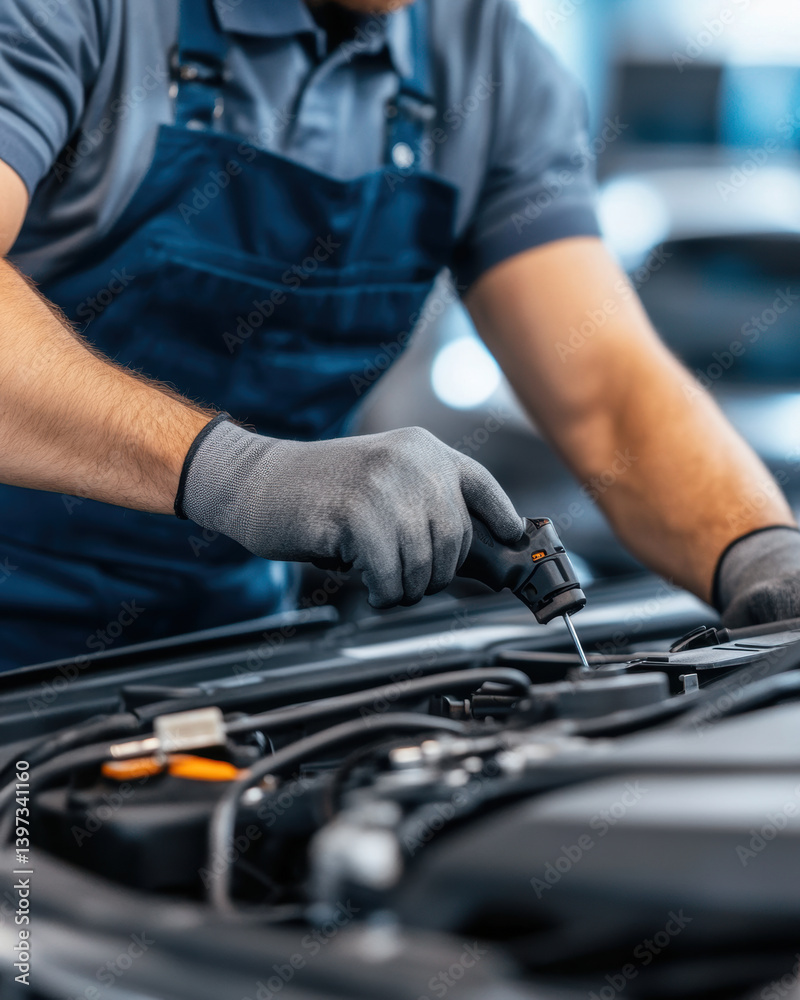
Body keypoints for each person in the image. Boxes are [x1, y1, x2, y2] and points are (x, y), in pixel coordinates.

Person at [0, 0, 796, 670]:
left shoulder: (490, 65)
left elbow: (607, 389)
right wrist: (238, 473)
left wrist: (762, 556)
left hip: (223, 659)